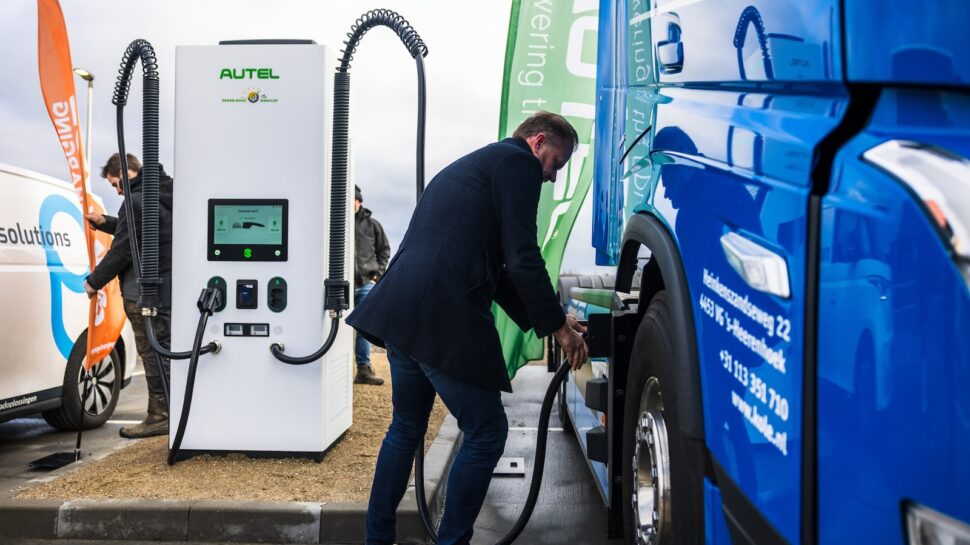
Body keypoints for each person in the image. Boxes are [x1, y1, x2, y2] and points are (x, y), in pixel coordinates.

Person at [348, 111, 589, 545]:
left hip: (402, 312)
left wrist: (555, 316)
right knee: (487, 430)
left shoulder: (476, 165)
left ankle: (377, 540)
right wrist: (560, 330)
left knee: (405, 427)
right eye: (556, 162)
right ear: (537, 143)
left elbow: (498, 267)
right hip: (439, 314)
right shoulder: (517, 165)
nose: (553, 176)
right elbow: (523, 257)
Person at [83, 153, 174, 439]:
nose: (117, 190)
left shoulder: (135, 202)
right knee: (167, 349)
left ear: (126, 171)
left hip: (144, 291)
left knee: (151, 353)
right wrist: (105, 222)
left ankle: (160, 415)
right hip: (170, 286)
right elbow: (141, 231)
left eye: (116, 184)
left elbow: (123, 249)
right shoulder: (166, 189)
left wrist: (94, 282)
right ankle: (179, 410)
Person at [353, 185, 390, 386]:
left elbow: (384, 250)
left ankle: (363, 370)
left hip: (366, 283)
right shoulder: (335, 222)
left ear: (359, 201)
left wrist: (378, 274)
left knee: (364, 327)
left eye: (353, 199)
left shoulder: (373, 225)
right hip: (340, 285)